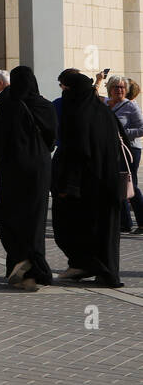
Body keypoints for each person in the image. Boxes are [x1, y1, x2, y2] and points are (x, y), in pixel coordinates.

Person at [52, 71, 126, 287]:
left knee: (68, 225)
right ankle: (104, 270)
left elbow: (77, 152)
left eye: (65, 88)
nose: (64, 93)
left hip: (83, 186)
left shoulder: (78, 115)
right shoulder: (104, 112)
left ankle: (83, 263)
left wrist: (67, 185)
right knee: (103, 229)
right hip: (106, 182)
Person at [0, 65, 58, 290]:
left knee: (7, 213)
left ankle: (20, 261)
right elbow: (52, 138)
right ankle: (33, 271)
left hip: (13, 168)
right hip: (39, 167)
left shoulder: (8, 106)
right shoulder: (46, 106)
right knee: (35, 219)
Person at [105, 75, 143, 234]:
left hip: (129, 149)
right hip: (112, 150)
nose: (119, 90)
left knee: (130, 185)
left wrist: (122, 133)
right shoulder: (105, 104)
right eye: (116, 87)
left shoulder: (131, 106)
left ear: (126, 90)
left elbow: (142, 128)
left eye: (122, 87)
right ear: (110, 89)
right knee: (117, 186)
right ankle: (124, 223)